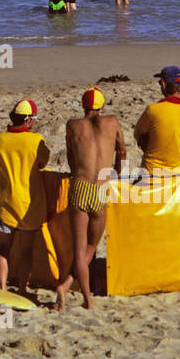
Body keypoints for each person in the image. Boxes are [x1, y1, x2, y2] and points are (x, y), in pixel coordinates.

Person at [56, 87, 126, 311]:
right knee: (92, 245)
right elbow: (122, 152)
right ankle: (72, 291)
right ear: (101, 106)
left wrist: (76, 172)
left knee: (79, 251)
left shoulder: (72, 125)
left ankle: (81, 295)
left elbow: (71, 157)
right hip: (101, 188)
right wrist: (115, 173)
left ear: (83, 105)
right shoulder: (113, 121)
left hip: (80, 186)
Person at [0, 99, 49, 295]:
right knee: (26, 252)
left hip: (7, 202)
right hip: (29, 206)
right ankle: (23, 289)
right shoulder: (36, 140)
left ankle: (2, 288)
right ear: (29, 121)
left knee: (3, 249)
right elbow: (43, 162)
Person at [133, 65, 180, 175]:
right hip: (177, 171)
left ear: (164, 84)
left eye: (160, 83)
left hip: (151, 171)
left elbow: (137, 134)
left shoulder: (153, 110)